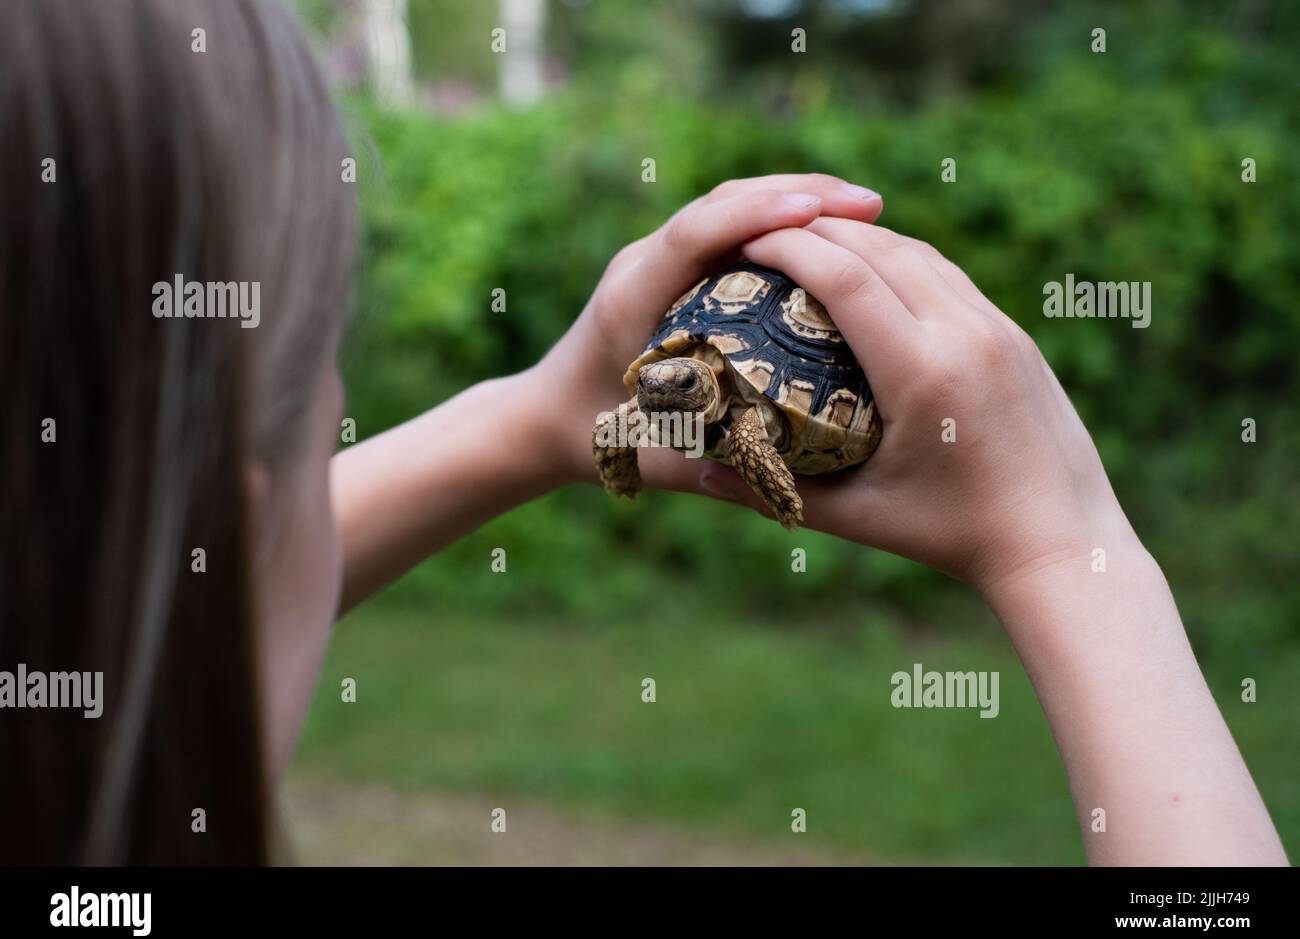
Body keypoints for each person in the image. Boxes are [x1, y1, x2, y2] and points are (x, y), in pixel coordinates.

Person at [0, 0, 1285, 866]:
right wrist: (1068, 559)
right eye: (319, 350)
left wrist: (548, 414)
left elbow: (159, 588)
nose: (339, 407)